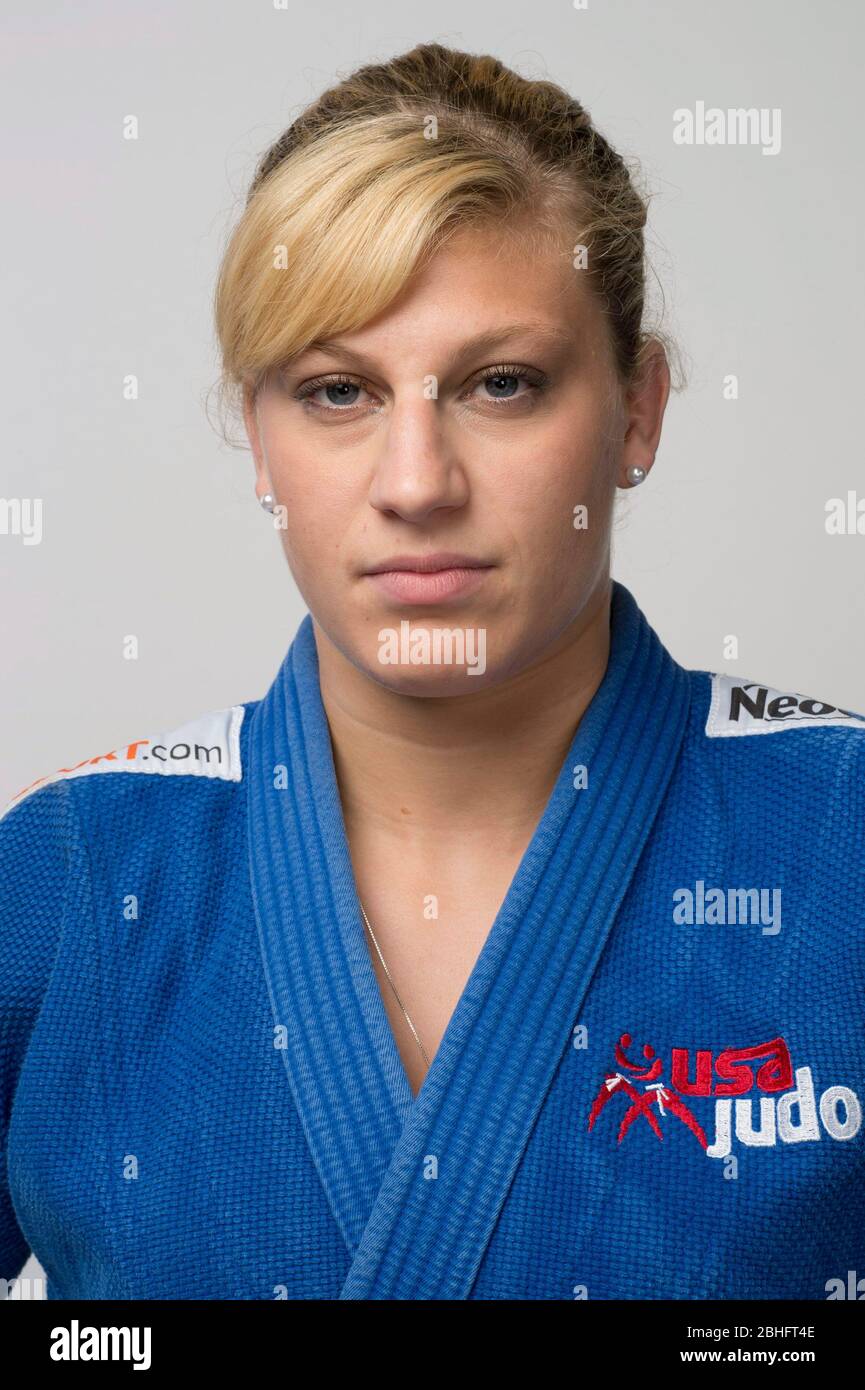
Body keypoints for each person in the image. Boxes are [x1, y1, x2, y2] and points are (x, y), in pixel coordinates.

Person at [2, 42, 863, 1303]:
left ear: (638, 410)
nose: (415, 483)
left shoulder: (839, 842)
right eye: (337, 390)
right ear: (258, 436)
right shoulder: (77, 875)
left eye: (500, 385)